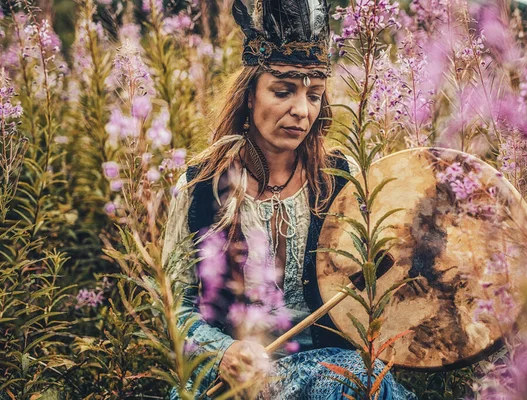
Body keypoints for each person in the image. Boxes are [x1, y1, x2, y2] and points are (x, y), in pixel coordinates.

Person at [162, 0, 417, 398]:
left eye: (314, 95)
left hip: (330, 364)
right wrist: (225, 351)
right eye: (282, 91)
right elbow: (175, 308)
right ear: (249, 96)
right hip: (235, 377)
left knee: (354, 382)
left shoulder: (339, 176)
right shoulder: (202, 185)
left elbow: (380, 269)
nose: (301, 110)